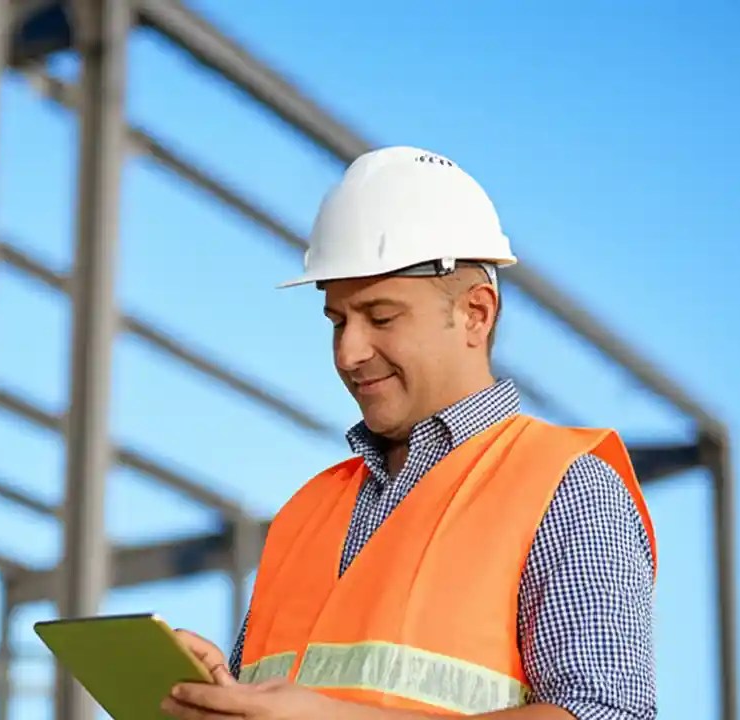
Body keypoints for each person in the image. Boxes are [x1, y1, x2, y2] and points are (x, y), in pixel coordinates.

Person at [161, 146, 657, 720]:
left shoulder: (567, 489)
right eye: (338, 321)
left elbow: (604, 713)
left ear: (476, 313)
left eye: (381, 317)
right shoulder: (308, 512)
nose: (349, 353)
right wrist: (221, 695)